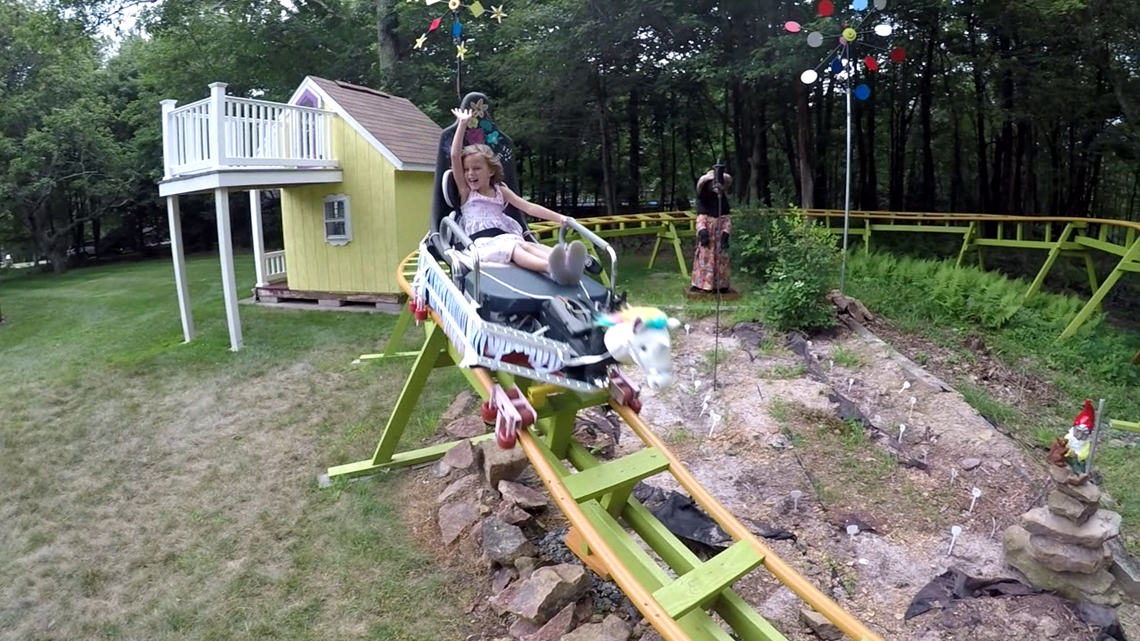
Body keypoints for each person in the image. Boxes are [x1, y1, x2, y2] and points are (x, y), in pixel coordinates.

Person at [449, 107, 587, 286]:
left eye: (476, 168)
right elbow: (454, 156)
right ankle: (550, 268)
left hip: (505, 237)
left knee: (526, 245)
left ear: (491, 171)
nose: (470, 174)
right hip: (481, 243)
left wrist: (560, 218)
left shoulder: (500, 191)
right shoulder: (467, 193)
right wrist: (462, 123)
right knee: (514, 249)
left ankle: (568, 266)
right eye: (466, 169)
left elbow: (528, 207)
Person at [689, 168, 734, 294]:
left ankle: (721, 284)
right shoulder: (704, 202)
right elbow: (701, 220)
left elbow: (726, 221)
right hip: (708, 242)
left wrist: (725, 236)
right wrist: (703, 232)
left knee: (721, 261)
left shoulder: (722, 203)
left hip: (719, 241)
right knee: (704, 260)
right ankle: (702, 284)